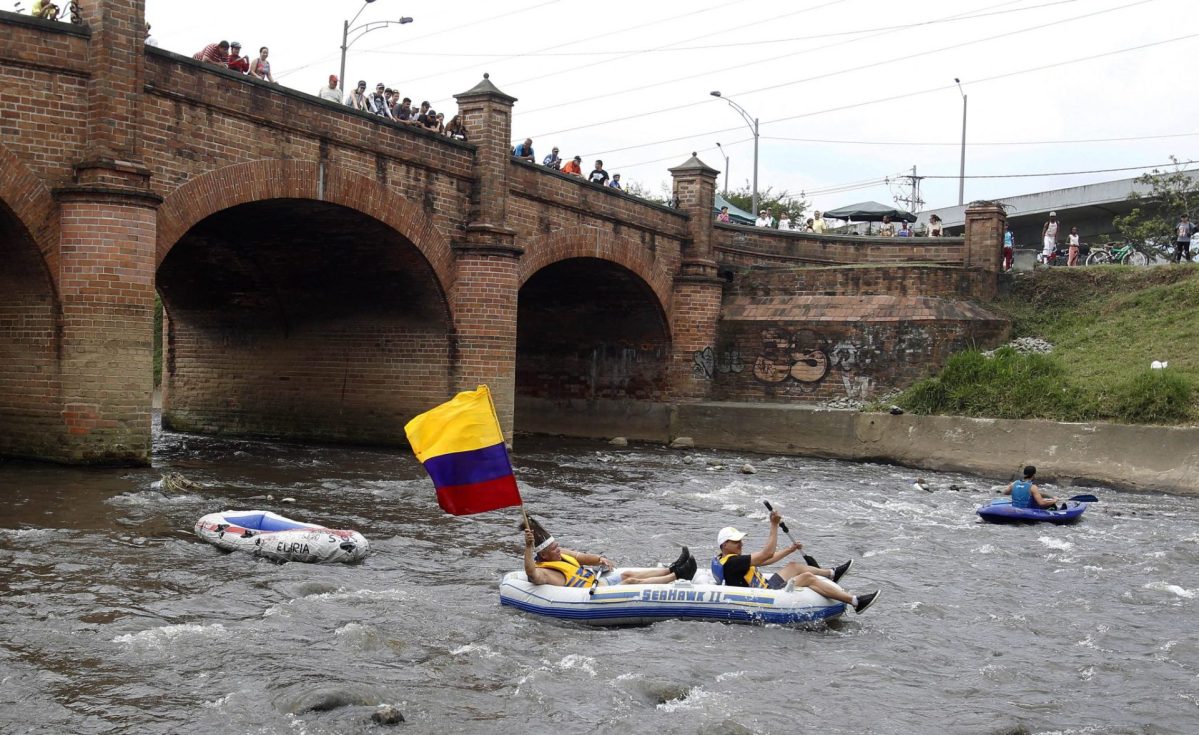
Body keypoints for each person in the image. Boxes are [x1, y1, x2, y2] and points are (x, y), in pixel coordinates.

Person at [710, 513, 879, 614]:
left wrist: (789, 550)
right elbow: (766, 553)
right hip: (765, 595)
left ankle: (832, 574)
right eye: (736, 541)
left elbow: (767, 559)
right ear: (725, 545)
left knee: (794, 566)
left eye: (740, 540)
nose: (741, 543)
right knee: (807, 577)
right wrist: (774, 525)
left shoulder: (730, 559)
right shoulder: (732, 562)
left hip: (765, 586)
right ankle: (855, 601)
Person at [520, 518, 696, 587]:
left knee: (627, 574)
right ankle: (680, 575)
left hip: (599, 582)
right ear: (543, 555)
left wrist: (599, 559)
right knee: (631, 581)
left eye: (557, 546)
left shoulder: (558, 554)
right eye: (554, 549)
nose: (558, 550)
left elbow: (580, 557)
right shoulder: (544, 571)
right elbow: (531, 573)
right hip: (597, 594)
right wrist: (528, 547)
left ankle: (672, 568)